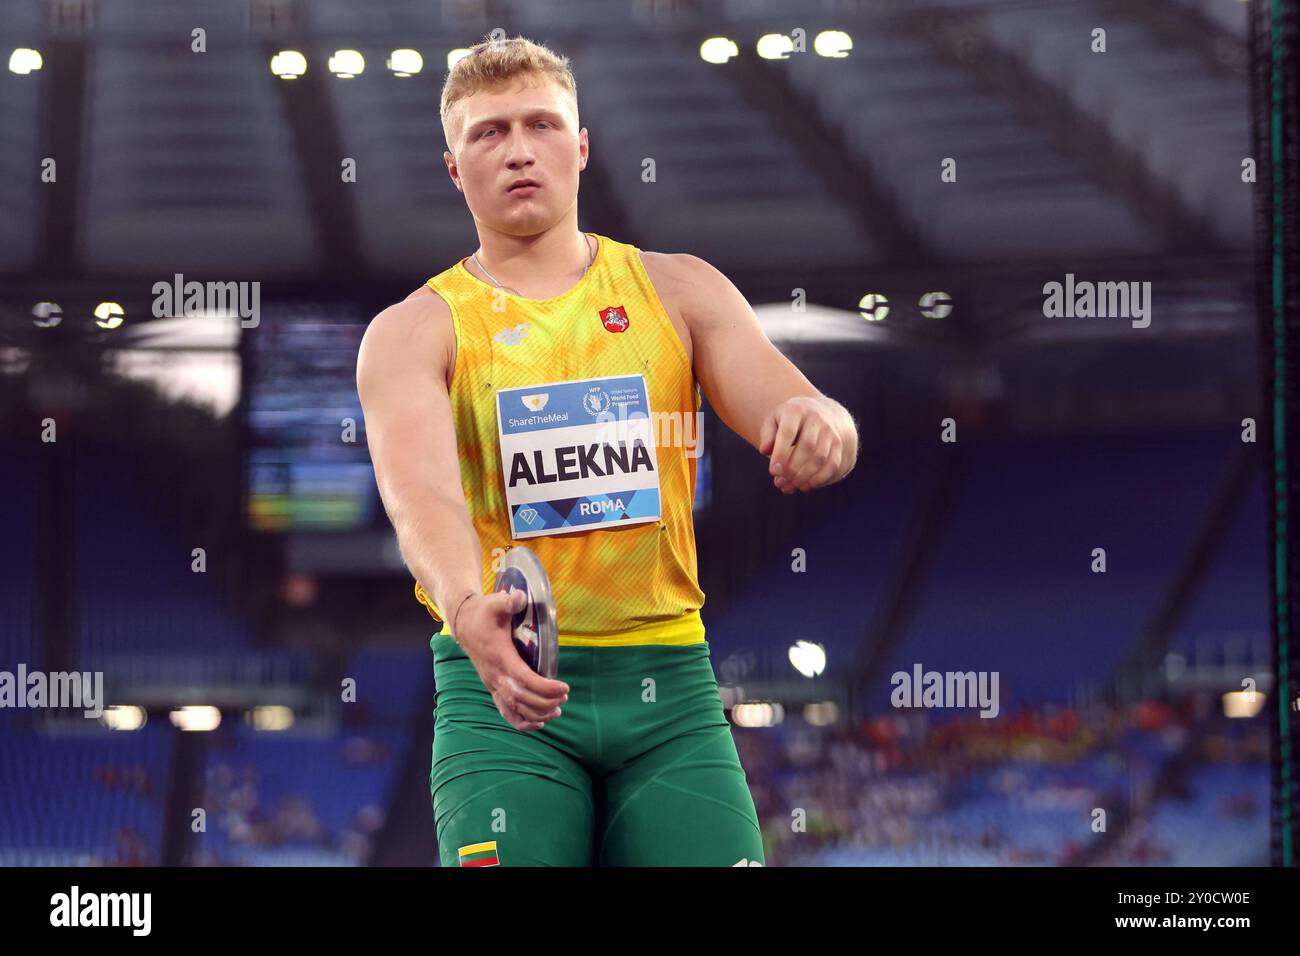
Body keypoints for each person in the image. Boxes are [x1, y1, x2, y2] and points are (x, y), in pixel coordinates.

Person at [356, 34, 858, 866]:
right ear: (454, 167)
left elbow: (793, 403)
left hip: (671, 696)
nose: (519, 150)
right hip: (503, 691)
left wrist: (826, 426)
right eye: (488, 133)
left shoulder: (679, 291)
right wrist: (464, 603)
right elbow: (423, 497)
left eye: (541, 124)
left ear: (581, 147)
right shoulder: (414, 332)